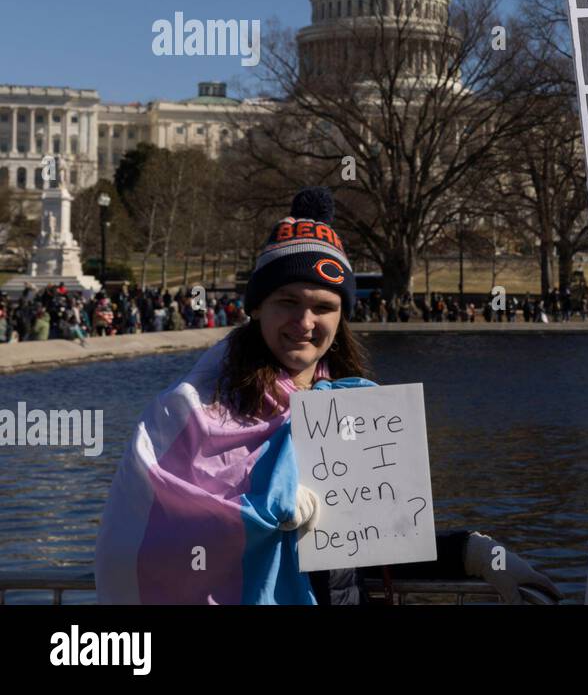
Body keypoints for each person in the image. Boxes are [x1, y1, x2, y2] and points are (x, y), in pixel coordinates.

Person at [95, 187, 559, 605]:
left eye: (324, 306)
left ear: (342, 316)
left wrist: (471, 553)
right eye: (288, 302)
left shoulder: (354, 406)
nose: (305, 321)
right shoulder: (193, 410)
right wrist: (257, 510)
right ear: (256, 307)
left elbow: (375, 545)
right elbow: (139, 540)